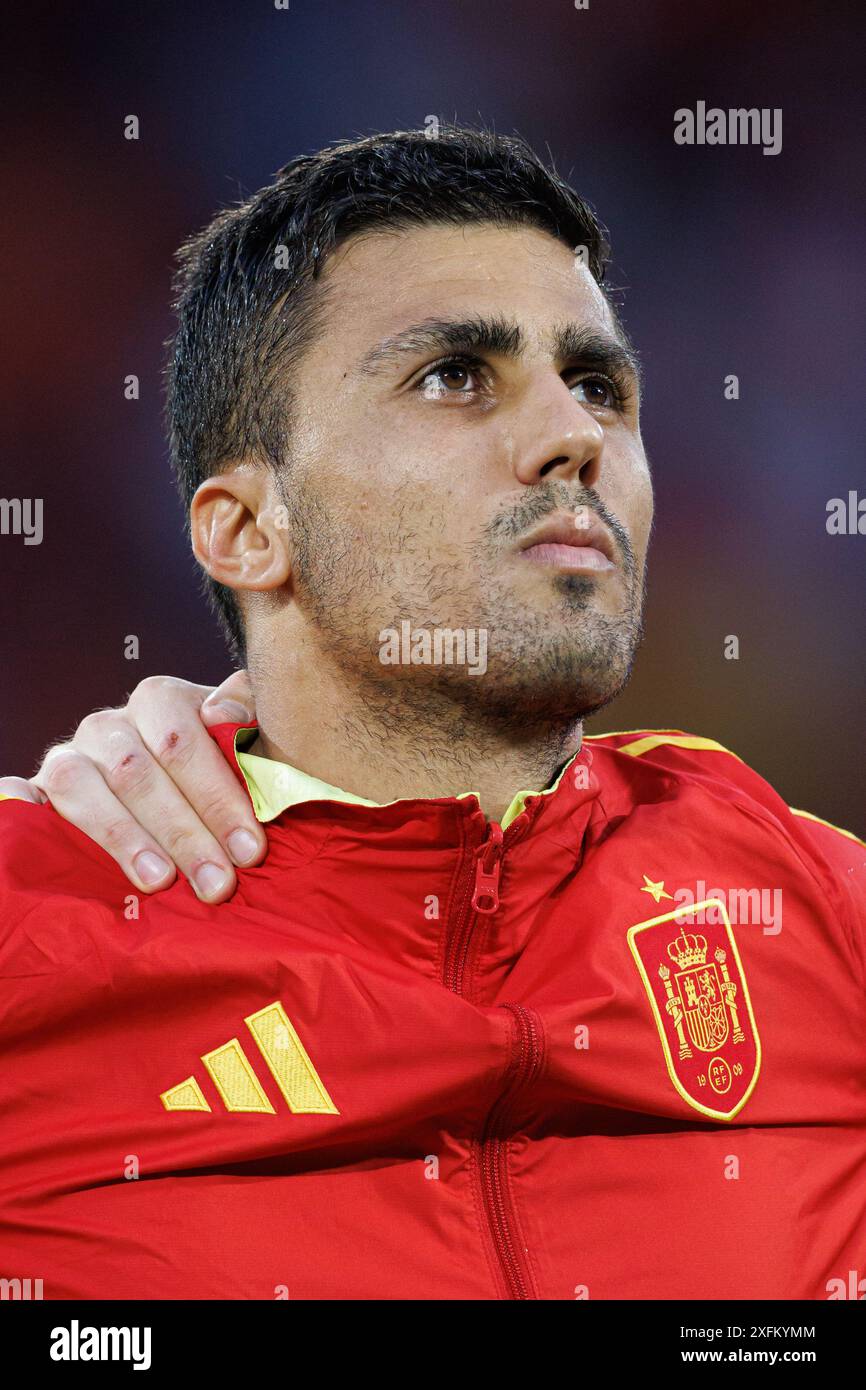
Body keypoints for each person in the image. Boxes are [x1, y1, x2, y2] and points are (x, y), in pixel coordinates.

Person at [1, 126, 863, 1301]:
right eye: (454, 375)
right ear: (251, 529)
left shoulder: (819, 916)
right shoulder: (39, 933)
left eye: (598, 384)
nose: (575, 437)